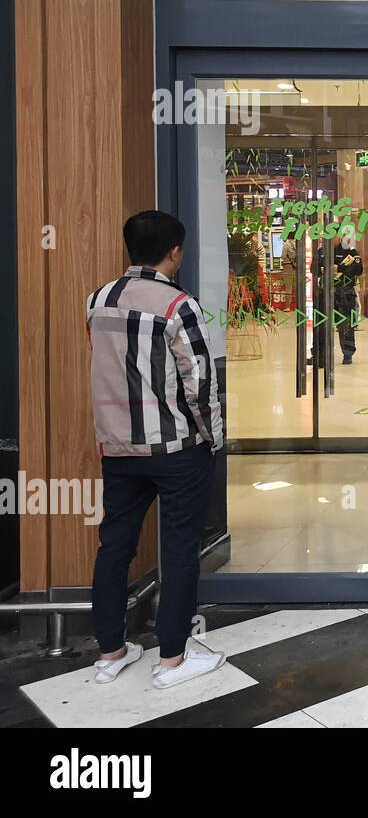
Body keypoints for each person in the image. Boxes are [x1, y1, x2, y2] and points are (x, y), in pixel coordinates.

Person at [87, 211, 226, 688]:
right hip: (175, 448)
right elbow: (199, 382)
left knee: (114, 547)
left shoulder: (98, 300)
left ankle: (110, 652)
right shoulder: (177, 305)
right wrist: (213, 436)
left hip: (117, 448)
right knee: (181, 548)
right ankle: (172, 660)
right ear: (175, 252)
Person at [309, 223, 364, 366]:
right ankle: (319, 355)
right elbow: (313, 268)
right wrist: (323, 269)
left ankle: (347, 354)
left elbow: (357, 269)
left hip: (344, 294)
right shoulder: (322, 251)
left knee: (345, 325)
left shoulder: (350, 252)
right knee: (320, 325)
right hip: (325, 293)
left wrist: (338, 268)